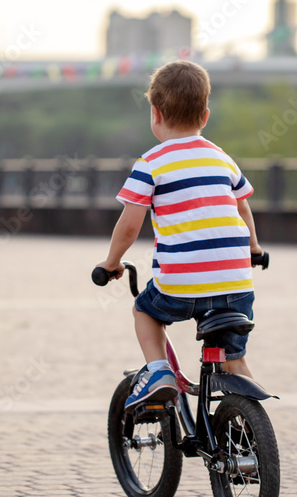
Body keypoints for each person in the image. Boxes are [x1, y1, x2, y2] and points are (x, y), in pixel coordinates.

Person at [95, 60, 263, 411]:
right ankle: (251, 430)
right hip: (236, 284)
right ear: (205, 116)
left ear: (154, 114)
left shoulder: (150, 163)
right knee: (234, 357)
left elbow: (129, 224)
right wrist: (254, 248)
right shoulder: (222, 159)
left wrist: (111, 263)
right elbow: (242, 209)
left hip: (181, 287)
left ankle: (159, 372)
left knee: (145, 310)